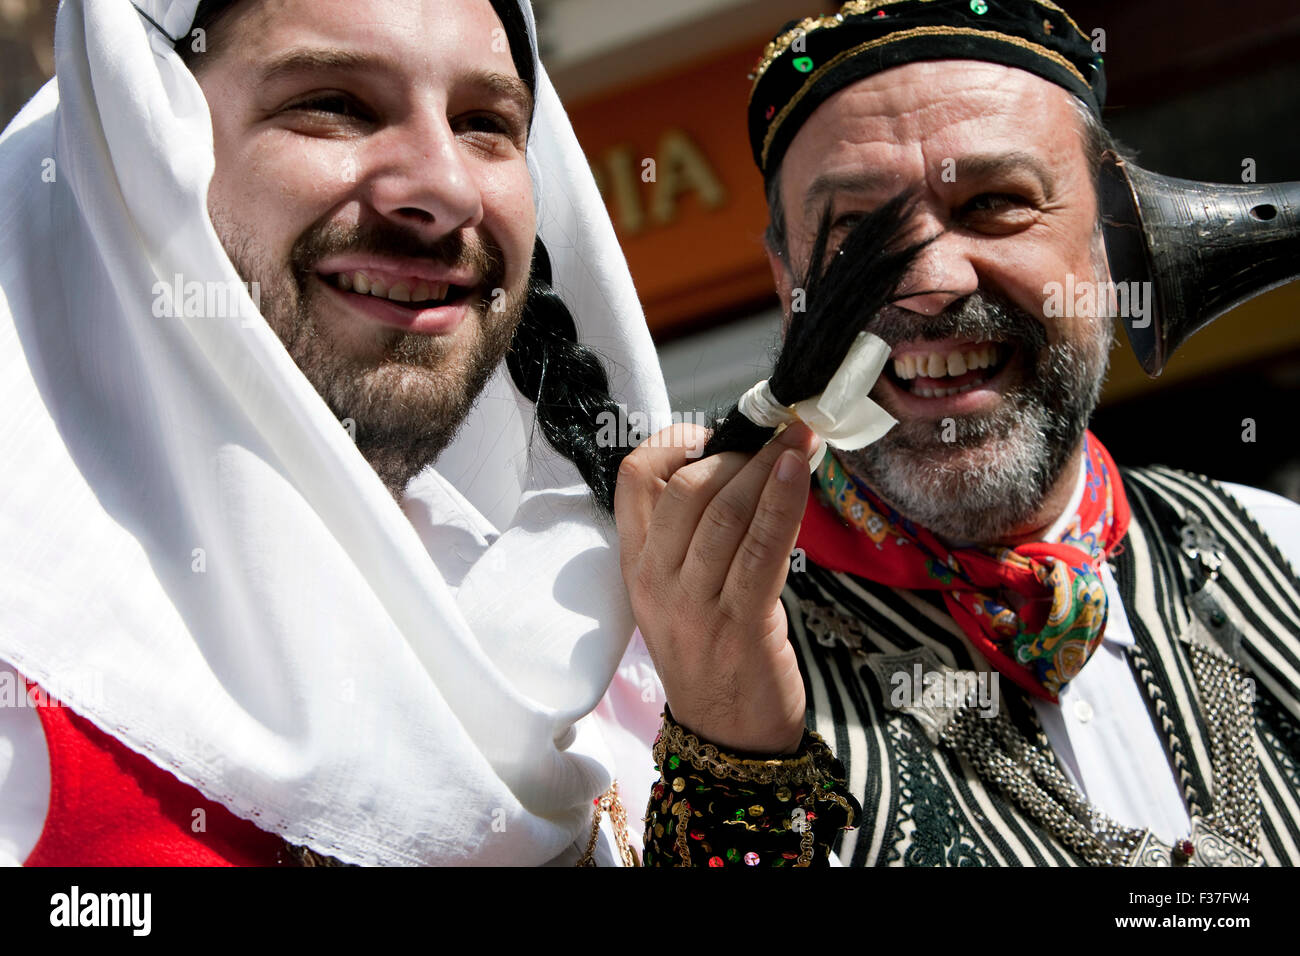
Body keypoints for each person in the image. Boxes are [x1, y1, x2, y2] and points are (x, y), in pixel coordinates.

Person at [617, 0, 1300, 866]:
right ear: (787, 284)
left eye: (995, 202)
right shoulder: (669, 668)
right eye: (858, 230)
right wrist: (733, 749)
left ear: (1108, 243)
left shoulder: (1280, 553)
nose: (932, 283)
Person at [0, 0, 669, 866]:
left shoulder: (602, 657)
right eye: (335, 104)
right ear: (145, 144)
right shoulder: (29, 684)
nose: (445, 185)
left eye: (485, 124)